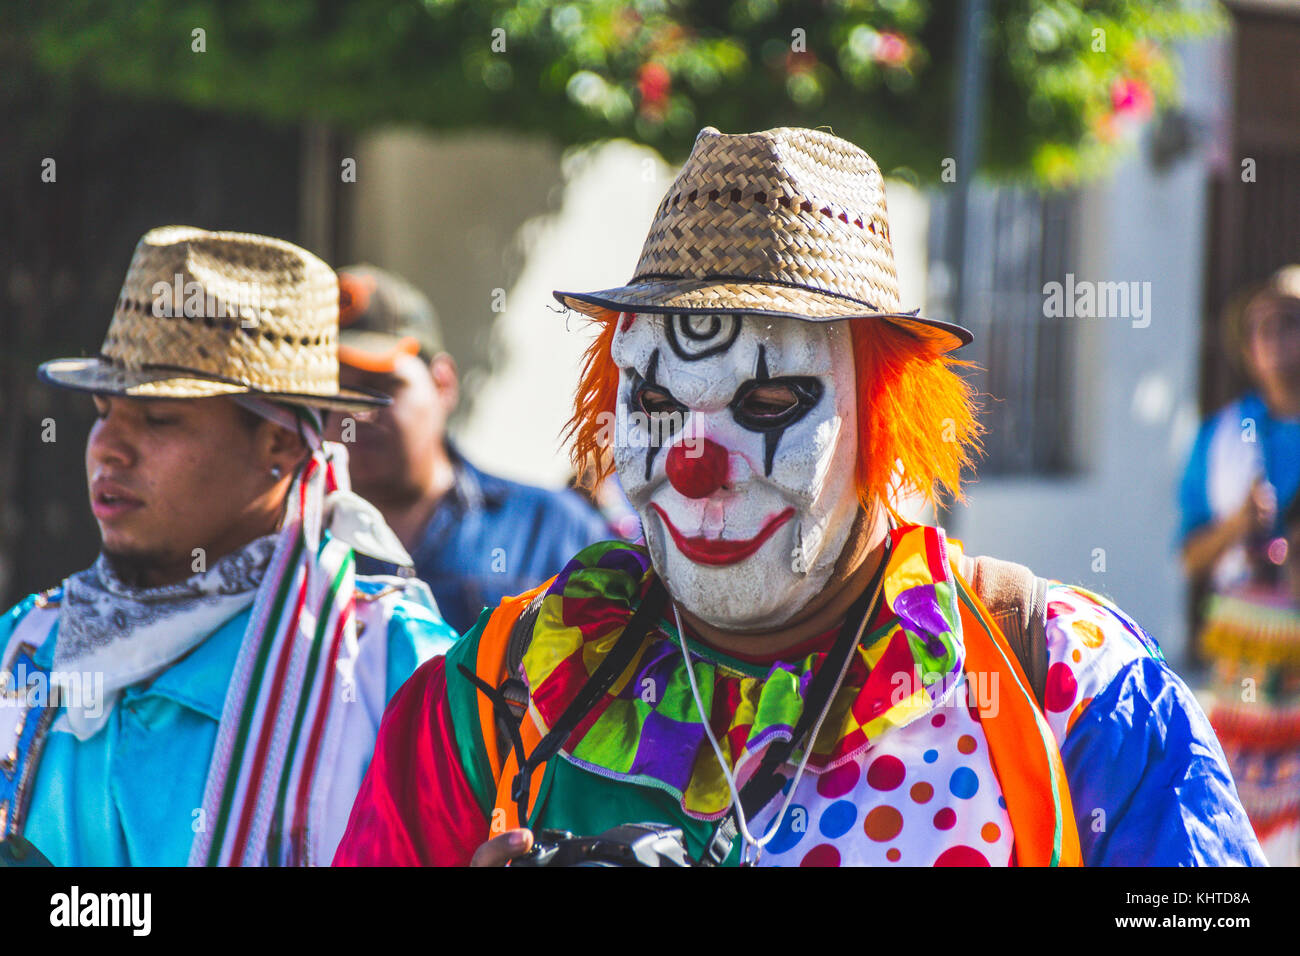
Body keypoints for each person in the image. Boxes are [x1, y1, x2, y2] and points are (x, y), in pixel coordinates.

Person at [334, 127, 1263, 867]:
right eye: (654, 401)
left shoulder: (1064, 682)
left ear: (883, 409)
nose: (697, 463)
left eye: (770, 401)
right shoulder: (508, 684)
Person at [0, 227, 457, 866]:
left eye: (159, 419)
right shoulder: (28, 647)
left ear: (282, 443)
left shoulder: (395, 667)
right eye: (103, 410)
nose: (108, 447)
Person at [323, 264, 614, 635]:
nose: (357, 412)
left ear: (443, 383)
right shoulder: (290, 541)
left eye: (378, 387)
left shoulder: (552, 531)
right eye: (335, 392)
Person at [1180, 267, 1300, 865]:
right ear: (1249, 348)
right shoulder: (1222, 436)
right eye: (1264, 328)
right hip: (1243, 666)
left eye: (1291, 325)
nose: (1278, 341)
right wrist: (1237, 527)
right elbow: (1188, 556)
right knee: (1243, 820)